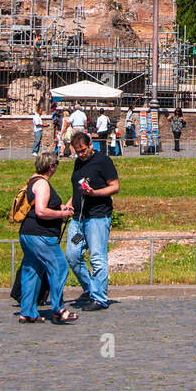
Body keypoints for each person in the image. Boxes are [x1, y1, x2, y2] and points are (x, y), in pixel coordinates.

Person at [18, 153, 78, 324]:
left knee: (32, 271)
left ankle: (28, 312)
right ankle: (58, 309)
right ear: (51, 166)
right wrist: (62, 214)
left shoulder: (32, 181)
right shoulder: (43, 184)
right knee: (59, 267)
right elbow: (41, 211)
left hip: (27, 234)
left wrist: (61, 207)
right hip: (41, 236)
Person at [63, 131, 119, 311]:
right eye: (77, 152)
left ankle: (100, 298)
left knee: (97, 257)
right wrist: (68, 205)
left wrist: (95, 193)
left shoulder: (103, 161)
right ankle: (90, 288)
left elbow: (115, 187)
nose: (80, 155)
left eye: (83, 151)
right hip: (78, 219)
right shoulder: (78, 162)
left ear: (90, 145)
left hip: (97, 218)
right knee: (73, 254)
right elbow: (77, 189)